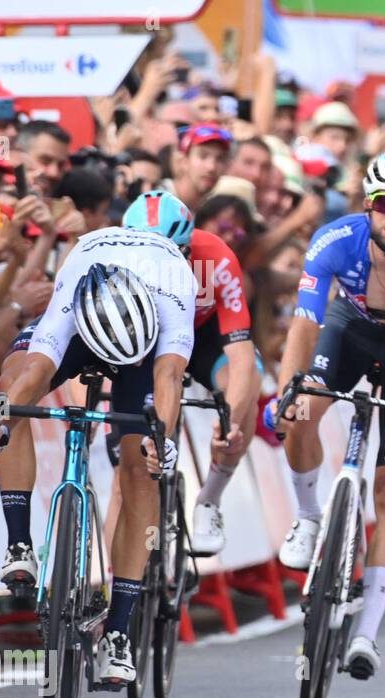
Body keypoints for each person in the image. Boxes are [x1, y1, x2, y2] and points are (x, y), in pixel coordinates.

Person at [267, 151, 385, 681]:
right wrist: (293, 386)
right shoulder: (334, 240)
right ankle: (308, 517)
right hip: (347, 332)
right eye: (384, 204)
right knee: (302, 411)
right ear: (367, 207)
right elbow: (303, 324)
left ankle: (367, 633)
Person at [0, 226, 195, 685]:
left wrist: (162, 441)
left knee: (141, 469)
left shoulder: (176, 294)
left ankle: (118, 632)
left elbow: (169, 376)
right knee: (12, 388)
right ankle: (19, 544)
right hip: (86, 315)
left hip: (141, 346)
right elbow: (35, 370)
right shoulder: (73, 289)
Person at [123, 190, 262, 554]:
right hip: (148, 337)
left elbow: (242, 356)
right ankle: (113, 586)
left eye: (171, 255)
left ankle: (210, 500)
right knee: (130, 470)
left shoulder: (215, 256)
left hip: (202, 335)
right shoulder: (113, 259)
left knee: (248, 387)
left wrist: (229, 417)